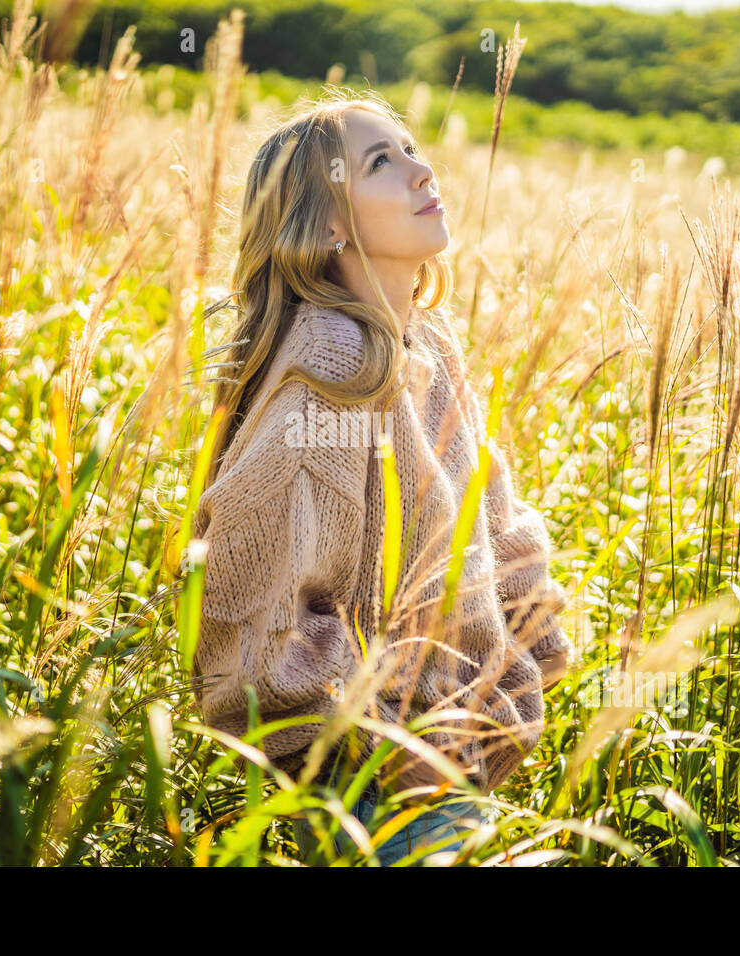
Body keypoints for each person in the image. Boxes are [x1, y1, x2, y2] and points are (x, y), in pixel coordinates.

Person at [189, 90, 572, 865]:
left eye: (409, 146)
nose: (420, 169)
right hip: (374, 794)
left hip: (448, 772)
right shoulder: (333, 363)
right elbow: (252, 595)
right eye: (380, 162)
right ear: (330, 224)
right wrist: (369, 740)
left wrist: (520, 661)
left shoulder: (422, 346)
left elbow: (494, 526)